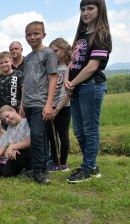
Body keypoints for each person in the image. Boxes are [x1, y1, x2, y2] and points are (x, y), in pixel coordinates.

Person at [64, 0, 112, 183]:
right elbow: (72, 62)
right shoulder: (81, 35)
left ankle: (89, 167)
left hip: (91, 86)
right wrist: (68, 81)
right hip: (76, 87)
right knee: (78, 130)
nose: (85, 12)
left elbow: (92, 67)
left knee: (90, 129)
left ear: (99, 10)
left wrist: (73, 82)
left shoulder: (101, 34)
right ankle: (89, 165)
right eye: (83, 9)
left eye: (90, 8)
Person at [21, 21, 58, 184]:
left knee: (37, 135)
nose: (32, 37)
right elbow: (25, 83)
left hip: (41, 103)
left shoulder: (48, 54)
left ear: (43, 35)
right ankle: (37, 168)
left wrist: (49, 104)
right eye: (29, 34)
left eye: (36, 33)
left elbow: (53, 78)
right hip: (28, 104)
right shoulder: (27, 58)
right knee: (38, 137)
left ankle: (41, 172)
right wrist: (22, 103)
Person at [47, 38, 71, 172]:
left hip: (64, 106)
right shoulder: (51, 67)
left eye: (55, 51)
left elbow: (68, 92)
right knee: (51, 134)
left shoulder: (69, 67)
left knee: (63, 134)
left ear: (64, 49)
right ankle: (54, 161)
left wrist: (58, 109)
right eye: (51, 51)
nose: (53, 54)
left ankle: (63, 163)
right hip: (51, 105)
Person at [0, 106, 31, 177]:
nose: (7, 120)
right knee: (6, 173)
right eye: (4, 120)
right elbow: (11, 142)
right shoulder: (9, 128)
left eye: (7, 116)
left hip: (28, 152)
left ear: (13, 110)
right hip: (17, 152)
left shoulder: (26, 122)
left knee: (19, 156)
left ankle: (31, 169)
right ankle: (22, 169)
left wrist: (12, 147)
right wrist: (12, 149)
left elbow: (28, 142)